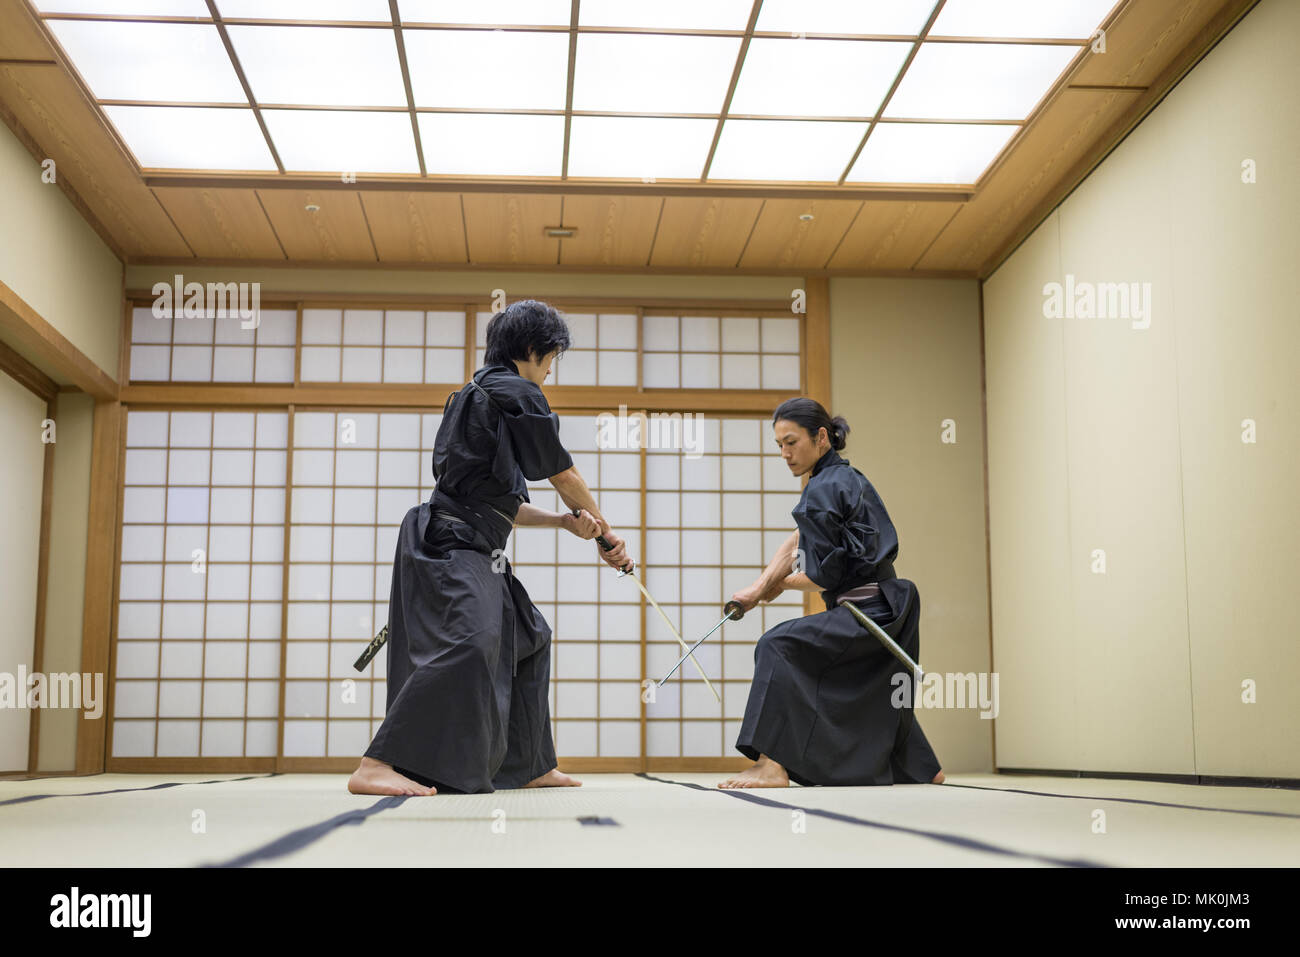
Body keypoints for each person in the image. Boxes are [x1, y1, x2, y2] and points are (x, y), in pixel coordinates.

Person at [348, 300, 632, 796]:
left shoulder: (478, 395)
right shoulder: (517, 391)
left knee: (529, 637)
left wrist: (566, 524)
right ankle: (378, 762)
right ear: (530, 350)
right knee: (471, 642)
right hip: (452, 543)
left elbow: (503, 507)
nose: (549, 372)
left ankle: (528, 765)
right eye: (550, 360)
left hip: (475, 543)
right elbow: (563, 473)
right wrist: (608, 537)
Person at [719, 397, 944, 789]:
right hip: (891, 609)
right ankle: (924, 768)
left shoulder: (822, 491)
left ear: (821, 437)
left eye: (792, 442)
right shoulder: (843, 479)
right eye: (779, 446)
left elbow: (825, 576)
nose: (785, 453)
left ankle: (772, 765)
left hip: (867, 613)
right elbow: (797, 544)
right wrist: (760, 588)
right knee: (875, 684)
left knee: (777, 645)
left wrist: (772, 587)